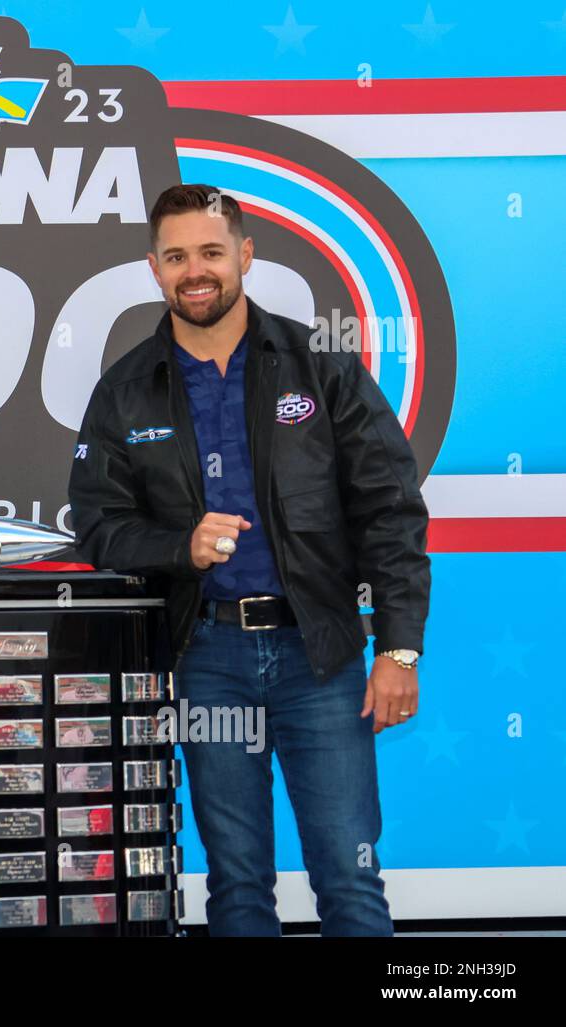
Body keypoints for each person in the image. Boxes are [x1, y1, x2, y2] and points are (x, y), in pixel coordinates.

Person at [67, 183, 431, 936]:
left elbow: (389, 508)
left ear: (244, 256)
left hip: (320, 656)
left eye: (210, 252)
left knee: (350, 877)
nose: (194, 271)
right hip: (208, 658)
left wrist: (398, 647)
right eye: (176, 257)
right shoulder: (125, 390)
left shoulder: (318, 366)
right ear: (154, 268)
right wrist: (180, 546)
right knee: (236, 885)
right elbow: (99, 526)